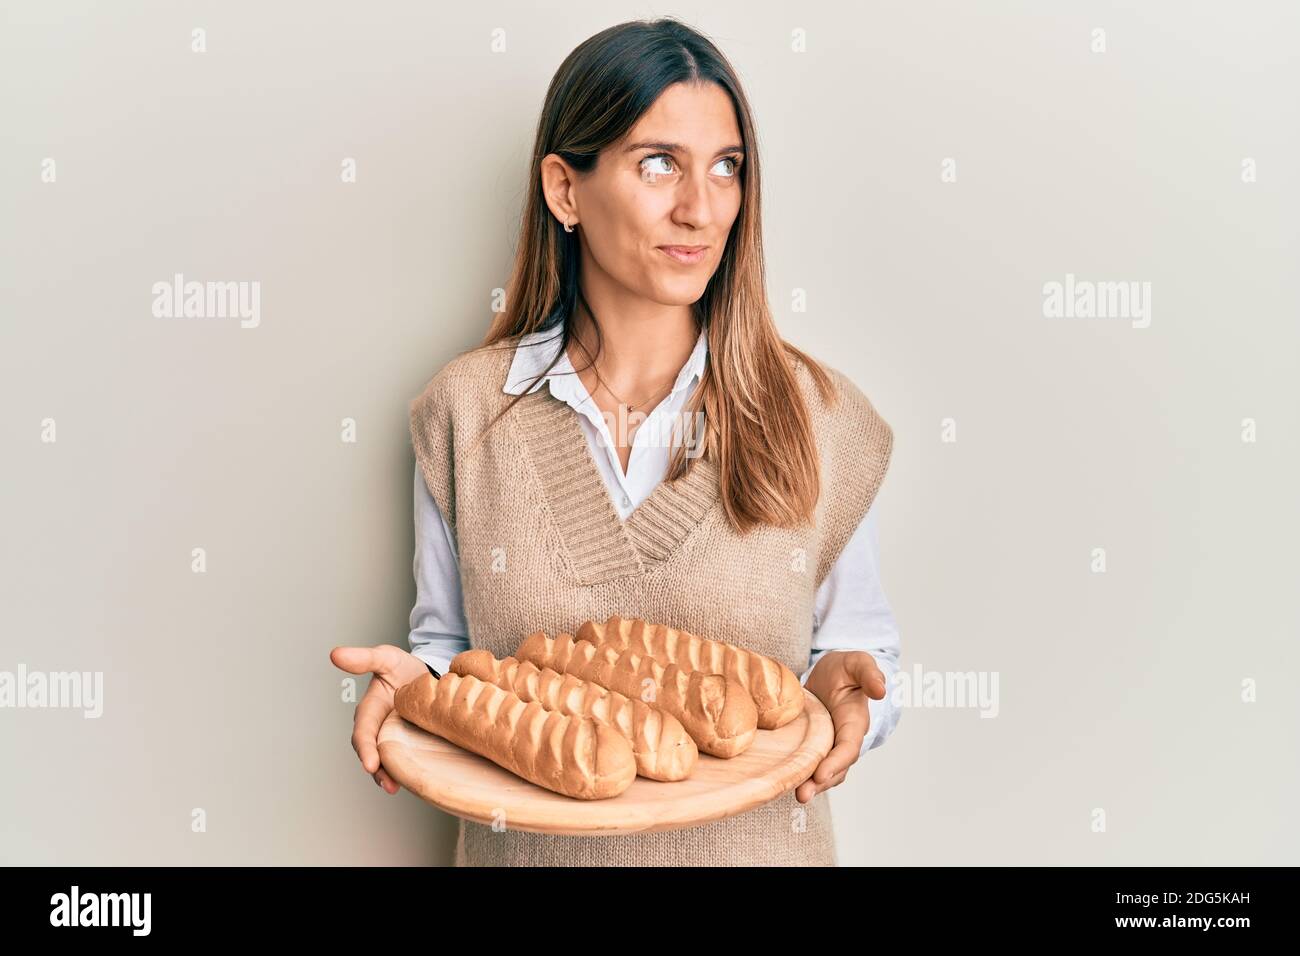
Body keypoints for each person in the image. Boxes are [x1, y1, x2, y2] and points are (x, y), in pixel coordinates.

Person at [331, 16, 899, 866]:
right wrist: (420, 695)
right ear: (565, 191)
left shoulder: (817, 417)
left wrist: (850, 694)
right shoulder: (467, 413)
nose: (700, 208)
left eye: (727, 168)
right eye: (658, 162)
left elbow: (857, 659)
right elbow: (452, 659)